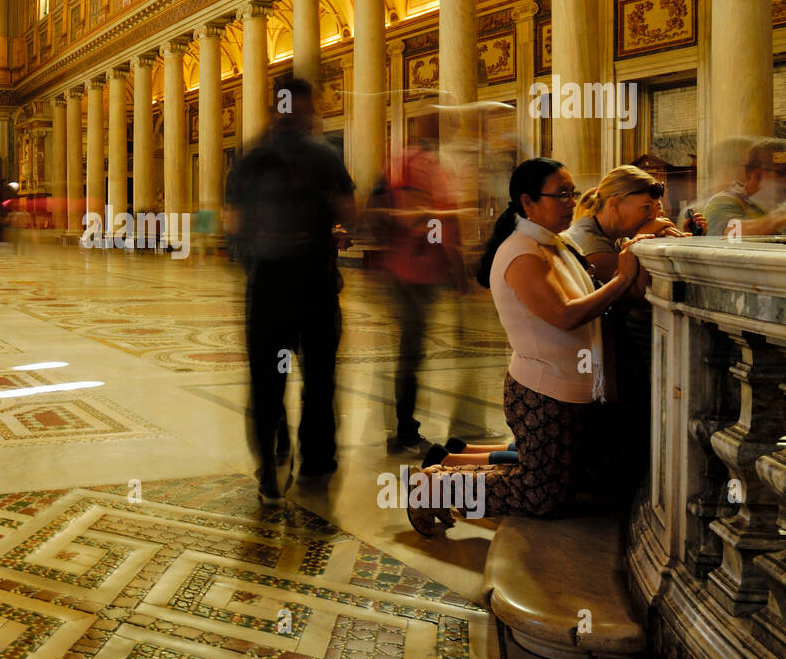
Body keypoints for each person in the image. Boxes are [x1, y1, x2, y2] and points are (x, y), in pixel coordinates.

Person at [408, 158, 641, 534]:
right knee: (539, 495)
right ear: (528, 202)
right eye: (560, 194)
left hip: (567, 388)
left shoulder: (554, 244)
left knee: (539, 479)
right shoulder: (522, 252)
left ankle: (441, 476)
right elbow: (563, 315)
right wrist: (623, 279)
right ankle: (433, 486)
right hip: (542, 391)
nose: (570, 202)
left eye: (572, 193)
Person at [225, 75, 356, 507]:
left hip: (267, 284)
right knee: (319, 376)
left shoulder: (251, 156)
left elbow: (234, 222)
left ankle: (270, 463)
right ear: (305, 107)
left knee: (266, 379)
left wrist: (253, 254)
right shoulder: (323, 154)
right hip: (314, 281)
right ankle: (316, 461)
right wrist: (333, 233)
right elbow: (347, 213)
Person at [373, 139, 468, 453]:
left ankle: (401, 423)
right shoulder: (426, 165)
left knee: (407, 351)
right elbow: (437, 221)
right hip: (416, 271)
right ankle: (405, 429)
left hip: (397, 268)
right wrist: (457, 269)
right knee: (411, 353)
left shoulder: (396, 162)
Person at [702, 137, 786, 238]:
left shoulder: (774, 206)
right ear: (758, 175)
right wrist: (780, 217)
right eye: (782, 173)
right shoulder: (722, 202)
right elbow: (733, 233)